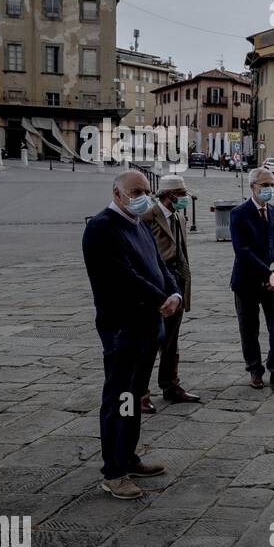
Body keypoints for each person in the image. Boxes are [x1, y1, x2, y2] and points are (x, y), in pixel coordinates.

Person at [82, 170, 182, 499]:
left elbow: (160, 266)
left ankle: (128, 455)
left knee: (135, 396)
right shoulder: (102, 228)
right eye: (135, 191)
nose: (142, 197)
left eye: (146, 191)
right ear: (117, 193)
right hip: (122, 328)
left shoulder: (139, 225)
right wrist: (160, 298)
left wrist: (174, 294)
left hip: (148, 327)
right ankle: (113, 471)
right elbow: (121, 276)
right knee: (118, 397)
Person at [230, 167, 274, 389]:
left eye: (272, 185)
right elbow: (242, 250)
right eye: (265, 185)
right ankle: (254, 369)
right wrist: (268, 273)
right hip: (248, 281)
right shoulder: (239, 213)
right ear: (253, 187)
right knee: (249, 328)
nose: (269, 189)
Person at [140, 174, 200, 411]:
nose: (185, 198)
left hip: (177, 283)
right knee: (149, 340)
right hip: (156, 285)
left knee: (172, 341)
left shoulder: (180, 217)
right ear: (168, 196)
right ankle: (140, 392)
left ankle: (170, 384)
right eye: (182, 195)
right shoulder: (148, 216)